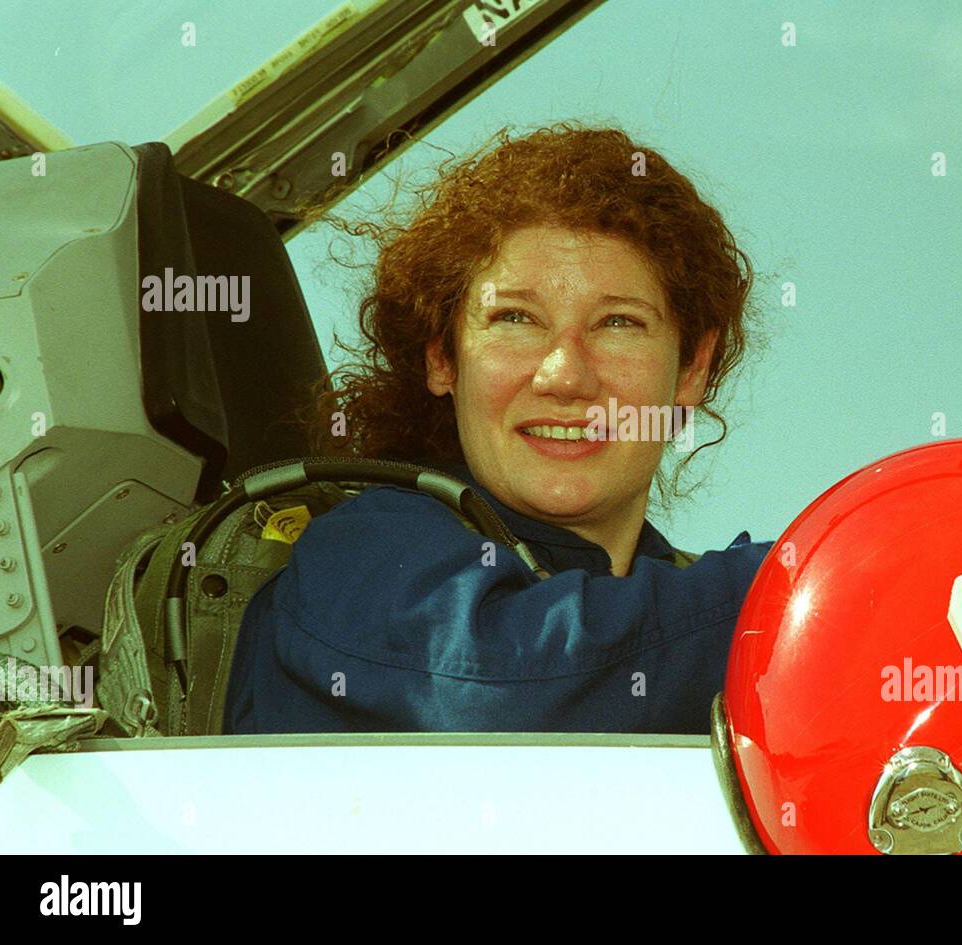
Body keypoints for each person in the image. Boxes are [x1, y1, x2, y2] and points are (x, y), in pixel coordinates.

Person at [223, 122, 772, 734]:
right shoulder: (356, 555)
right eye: (515, 318)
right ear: (442, 358)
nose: (565, 376)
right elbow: (502, 689)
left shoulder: (693, 619)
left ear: (692, 369)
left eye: (619, 322)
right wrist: (806, 586)